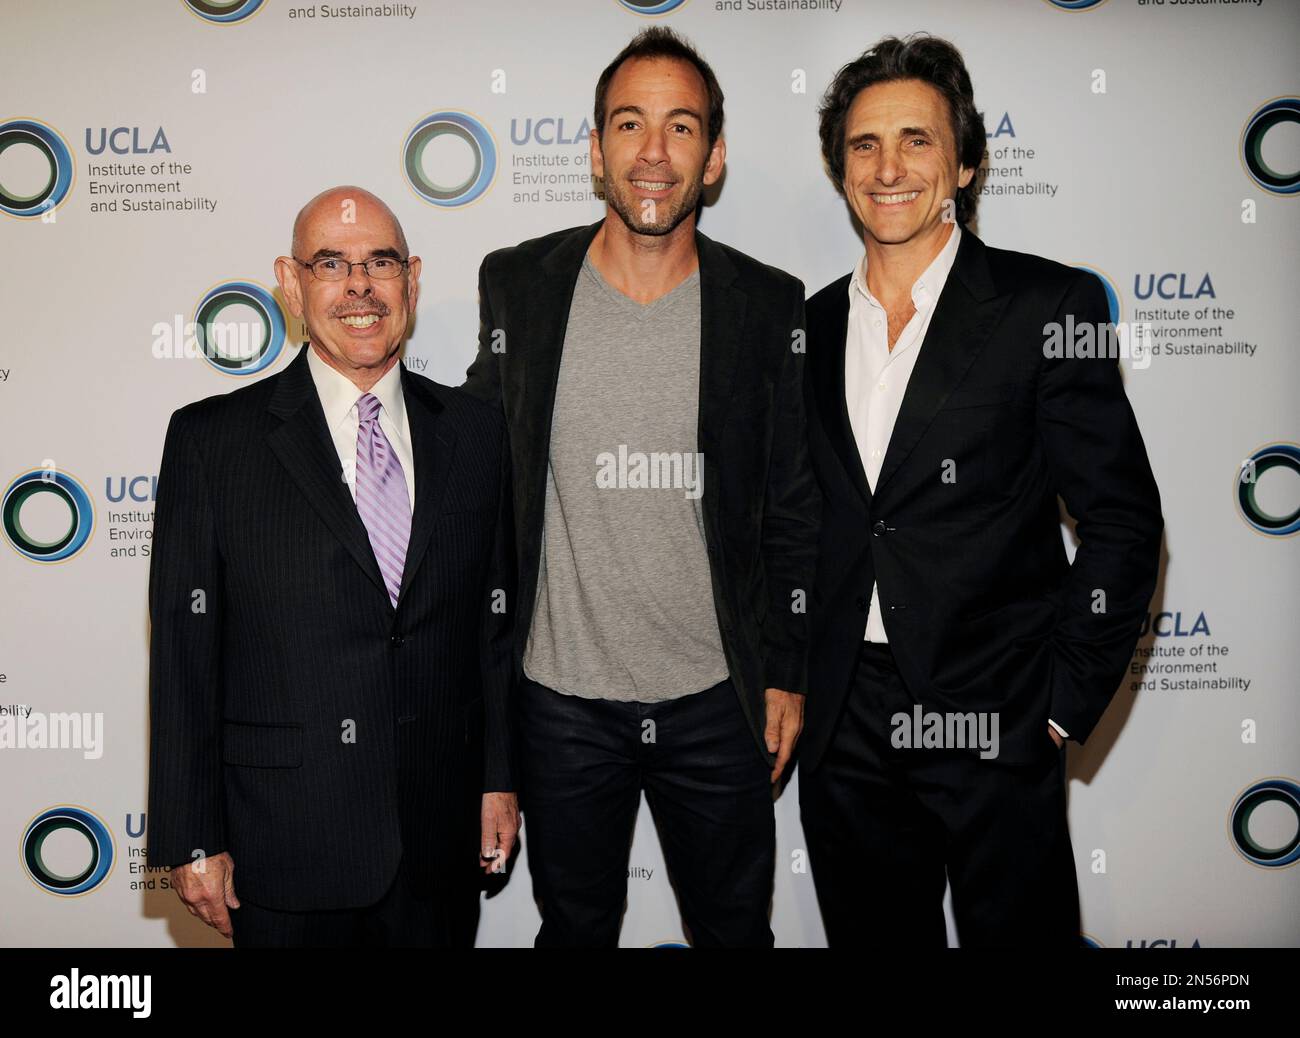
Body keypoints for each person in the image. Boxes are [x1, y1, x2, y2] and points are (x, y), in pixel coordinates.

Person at [799, 34, 1163, 947]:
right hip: (845, 721)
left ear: (964, 163)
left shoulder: (1049, 307)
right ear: (840, 168)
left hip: (993, 710)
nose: (889, 169)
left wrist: (1057, 704)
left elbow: (1123, 521)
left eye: (917, 141)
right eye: (863, 145)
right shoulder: (803, 327)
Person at [463, 27, 819, 947]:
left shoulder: (767, 305)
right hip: (560, 701)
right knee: (573, 933)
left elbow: (791, 502)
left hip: (716, 698)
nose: (654, 153)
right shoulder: (519, 287)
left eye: (681, 127)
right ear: (594, 151)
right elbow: (475, 474)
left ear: (716, 156)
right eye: (629, 124)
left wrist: (786, 669)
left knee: (735, 933)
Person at [146, 186, 518, 947]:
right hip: (281, 846)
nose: (359, 286)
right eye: (331, 264)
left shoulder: (478, 435)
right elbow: (186, 656)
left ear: (411, 280)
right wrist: (191, 834)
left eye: (380, 262)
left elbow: (495, 632)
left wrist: (499, 777)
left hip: (436, 845)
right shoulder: (211, 443)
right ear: (290, 282)